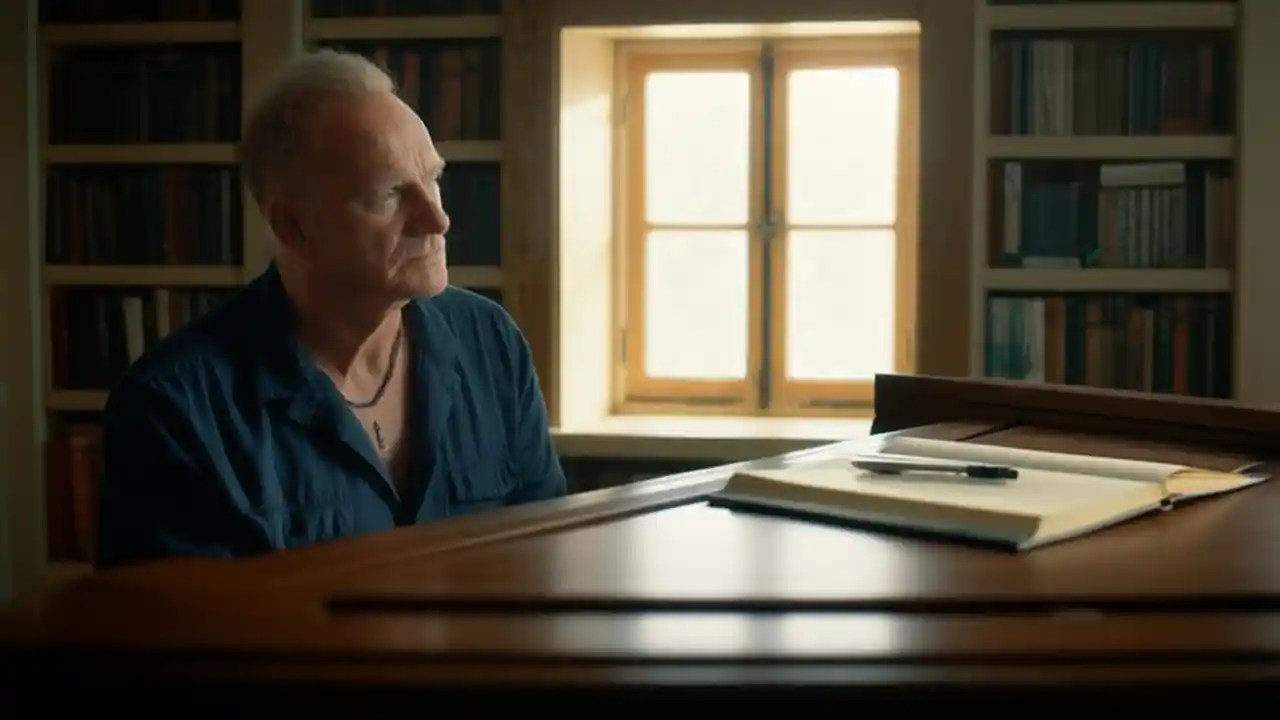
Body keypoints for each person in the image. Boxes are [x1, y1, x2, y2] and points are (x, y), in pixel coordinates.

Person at [93, 49, 567, 569]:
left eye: (433, 179)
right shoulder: (176, 409)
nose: (437, 219)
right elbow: (181, 619)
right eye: (390, 196)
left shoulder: (489, 341)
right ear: (294, 227)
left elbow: (543, 560)